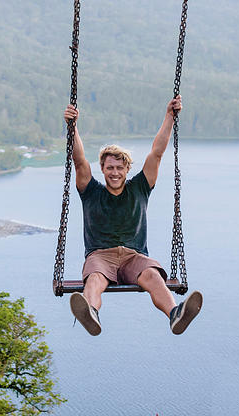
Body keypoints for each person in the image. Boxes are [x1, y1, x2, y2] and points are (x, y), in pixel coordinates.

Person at [63, 96, 203, 336]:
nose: (115, 173)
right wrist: (72, 127)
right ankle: (91, 312)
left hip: (134, 256)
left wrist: (169, 116)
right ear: (102, 169)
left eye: (119, 168)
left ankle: (175, 314)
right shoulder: (91, 191)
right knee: (94, 277)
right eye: (110, 168)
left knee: (152, 275)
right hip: (100, 255)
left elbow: (157, 153)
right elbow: (78, 160)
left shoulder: (139, 188)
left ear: (127, 169)